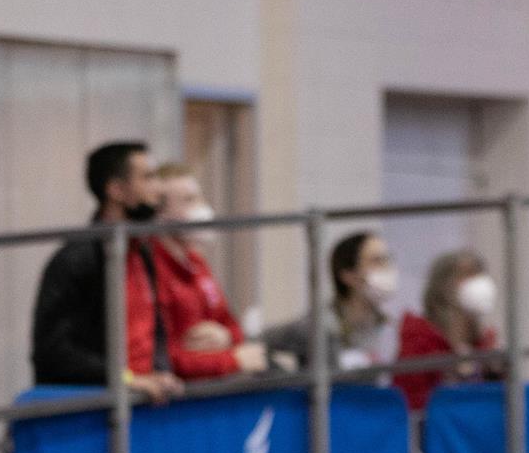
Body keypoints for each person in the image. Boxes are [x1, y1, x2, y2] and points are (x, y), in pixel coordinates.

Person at [29, 142, 183, 405]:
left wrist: (160, 373)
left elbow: (152, 329)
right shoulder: (76, 260)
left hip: (146, 402)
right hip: (100, 413)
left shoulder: (141, 252)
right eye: (148, 178)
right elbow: (53, 352)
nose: (159, 189)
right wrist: (125, 379)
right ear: (116, 190)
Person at [148, 163, 266, 380]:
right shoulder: (150, 271)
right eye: (188, 201)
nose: (201, 208)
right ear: (161, 214)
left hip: (213, 382)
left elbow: (230, 323)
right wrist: (232, 360)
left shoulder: (197, 263)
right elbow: (160, 358)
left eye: (199, 198)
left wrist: (226, 336)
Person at [265, 231, 402, 372]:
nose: (386, 267)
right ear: (348, 275)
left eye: (387, 259)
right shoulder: (317, 327)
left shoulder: (389, 328)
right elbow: (259, 344)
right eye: (377, 261)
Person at [397, 249, 500, 412]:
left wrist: (497, 374)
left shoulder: (485, 342)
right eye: (468, 274)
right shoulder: (419, 339)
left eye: (480, 274)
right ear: (443, 285)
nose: (479, 283)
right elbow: (409, 401)